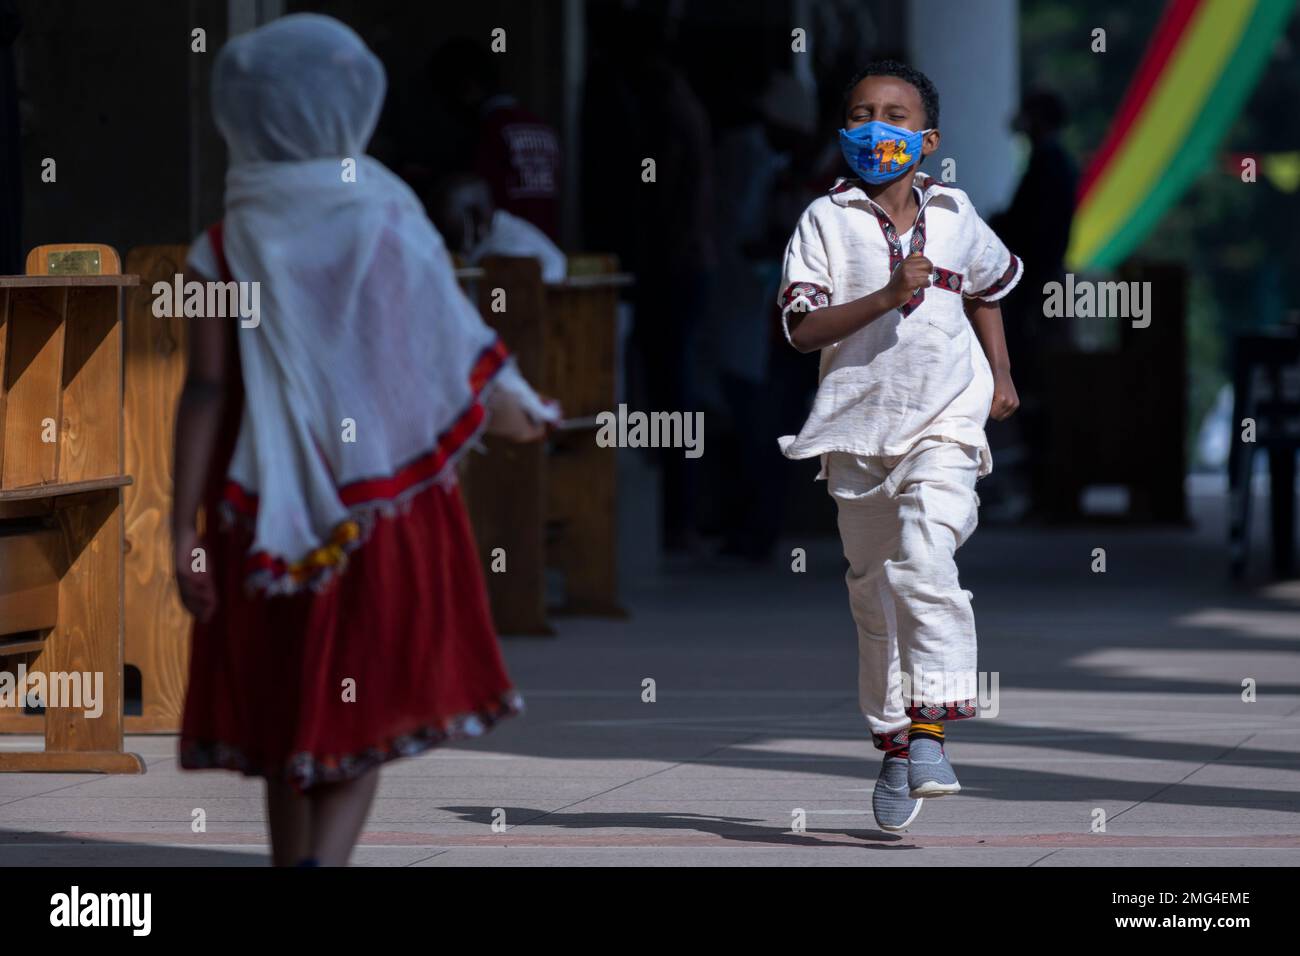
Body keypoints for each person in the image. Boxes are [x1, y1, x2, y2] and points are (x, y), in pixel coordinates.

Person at [171, 15, 557, 867]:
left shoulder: (220, 245)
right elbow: (437, 346)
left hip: (256, 505)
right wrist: (518, 406)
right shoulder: (382, 213)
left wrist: (179, 531)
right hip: (379, 501)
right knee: (362, 700)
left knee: (284, 701)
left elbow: (203, 390)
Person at [776, 60, 1021, 832]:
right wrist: (885, 296)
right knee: (874, 595)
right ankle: (892, 740)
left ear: (928, 137)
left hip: (946, 418)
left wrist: (1002, 376)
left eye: (895, 114)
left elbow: (988, 287)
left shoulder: (954, 211)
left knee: (926, 559)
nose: (877, 127)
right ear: (843, 131)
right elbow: (800, 328)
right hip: (857, 430)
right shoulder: (824, 220)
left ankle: (931, 731)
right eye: (860, 114)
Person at [430, 38, 562, 241]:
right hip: (547, 254)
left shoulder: (487, 131)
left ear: (468, 87)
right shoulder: (541, 127)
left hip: (504, 258)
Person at [430, 173, 567, 282]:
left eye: (453, 233)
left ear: (473, 218)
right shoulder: (491, 234)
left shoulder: (513, 250)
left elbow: (499, 308)